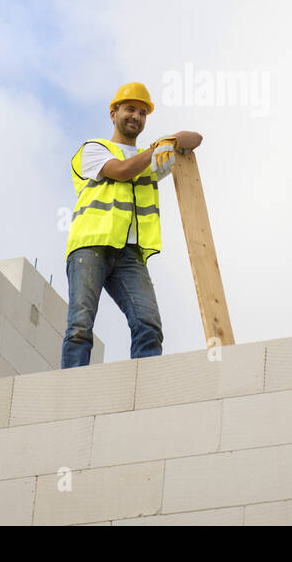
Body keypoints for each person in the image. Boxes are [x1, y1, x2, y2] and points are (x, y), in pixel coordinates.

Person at [62, 82, 203, 367]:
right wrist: (157, 148)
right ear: (113, 113)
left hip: (130, 254)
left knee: (148, 324)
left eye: (142, 112)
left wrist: (171, 140)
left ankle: (145, 386)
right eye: (130, 109)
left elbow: (196, 138)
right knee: (80, 325)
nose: (136, 117)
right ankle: (71, 388)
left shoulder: (152, 156)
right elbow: (123, 171)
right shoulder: (94, 150)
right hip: (91, 246)